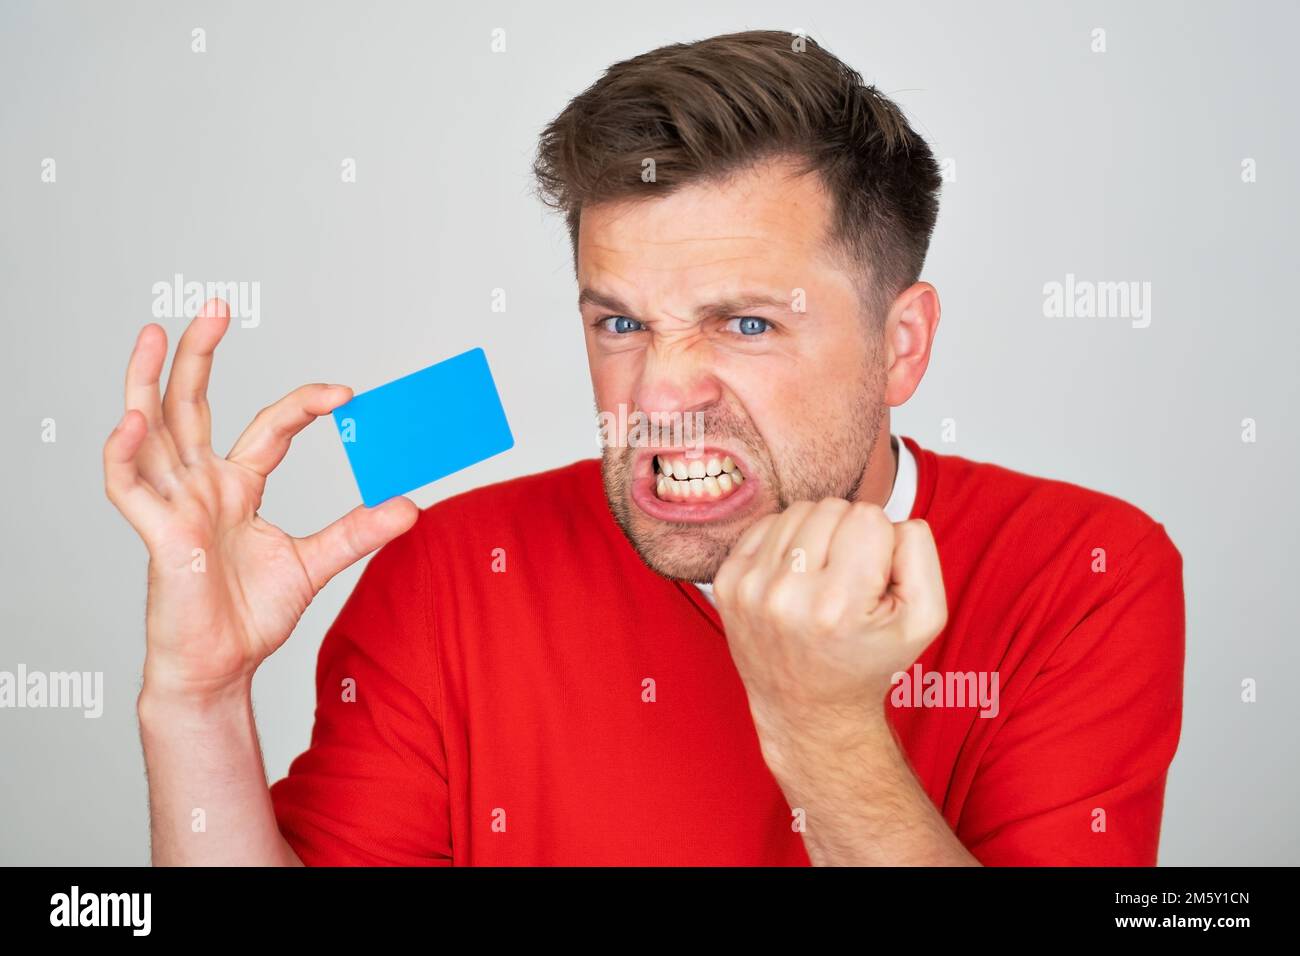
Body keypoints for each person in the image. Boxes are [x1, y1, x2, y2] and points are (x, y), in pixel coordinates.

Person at [104, 30, 1183, 866]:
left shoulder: (1086, 569)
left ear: (901, 346)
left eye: (746, 323)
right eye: (620, 322)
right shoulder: (449, 567)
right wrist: (196, 699)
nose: (658, 393)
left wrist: (819, 723)